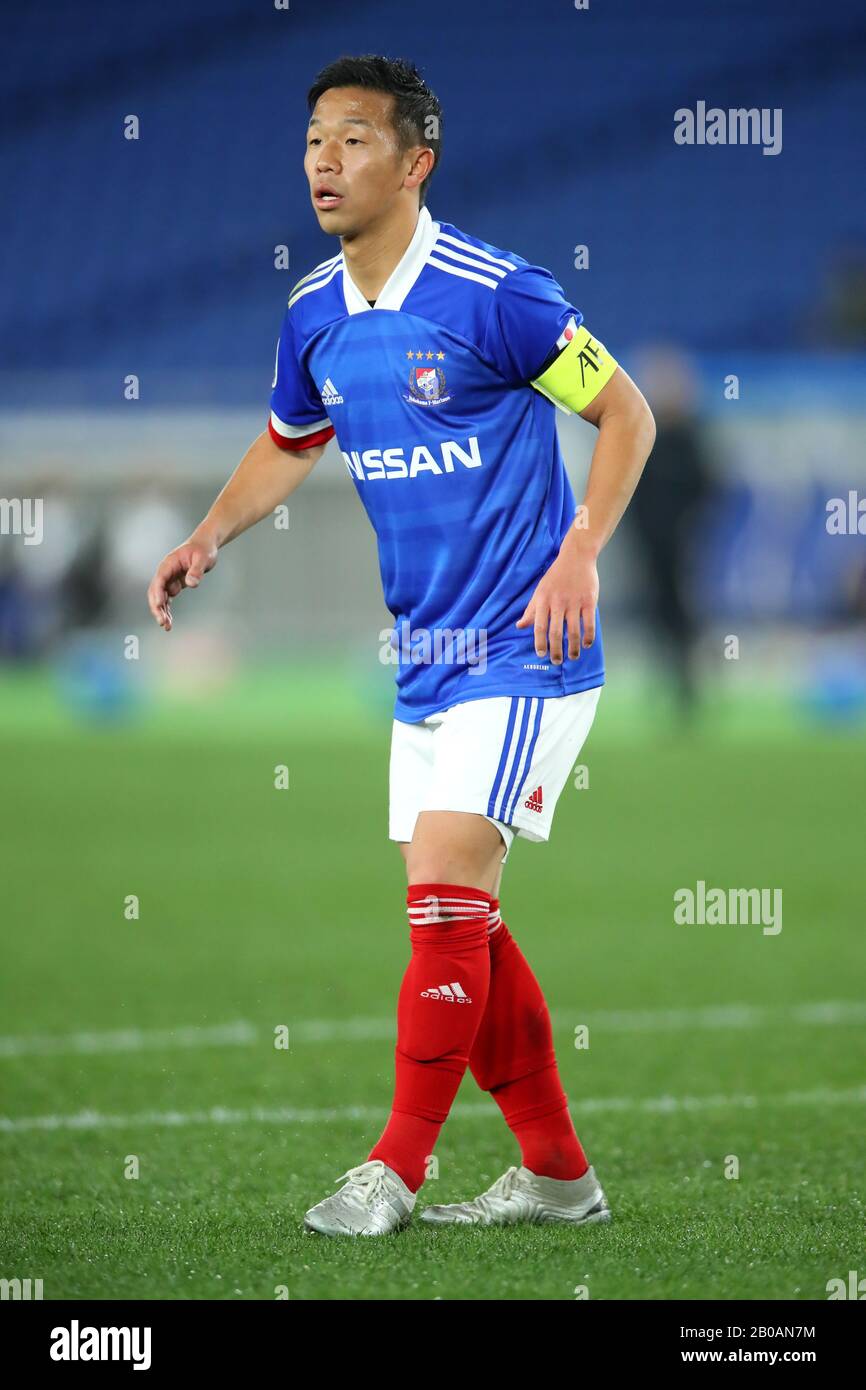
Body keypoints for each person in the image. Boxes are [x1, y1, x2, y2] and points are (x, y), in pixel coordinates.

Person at [147, 55, 655, 1237]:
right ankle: (556, 1176)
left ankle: (394, 1168)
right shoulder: (314, 313)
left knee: (440, 892)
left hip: (526, 645)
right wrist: (208, 534)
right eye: (315, 139)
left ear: (415, 163)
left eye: (354, 140)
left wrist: (581, 546)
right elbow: (290, 438)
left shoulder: (496, 293)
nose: (324, 161)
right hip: (422, 657)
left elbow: (622, 410)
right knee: (461, 916)